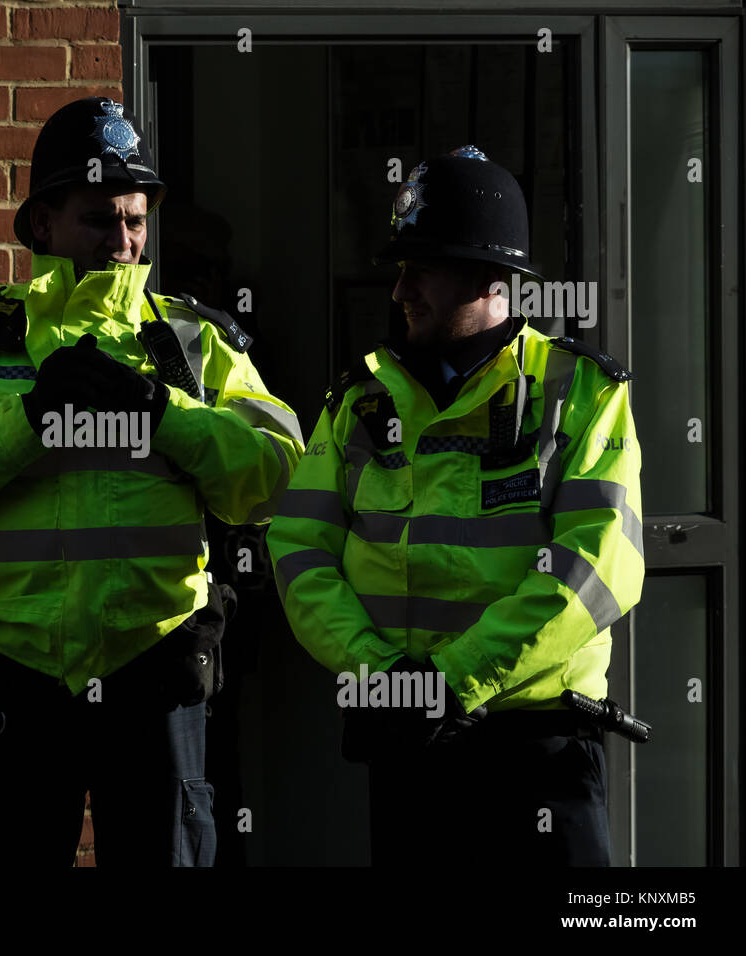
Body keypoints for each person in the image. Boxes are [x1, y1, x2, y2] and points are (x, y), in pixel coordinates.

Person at [0, 97, 304, 866]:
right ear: (42, 223)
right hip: (17, 684)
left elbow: (275, 476)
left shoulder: (191, 341)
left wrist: (164, 412)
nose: (124, 242)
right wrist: (29, 416)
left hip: (155, 676)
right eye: (101, 220)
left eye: (136, 221)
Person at [267, 146, 644, 866]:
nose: (401, 289)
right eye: (400, 269)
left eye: (423, 269)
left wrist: (450, 680)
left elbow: (598, 567)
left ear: (489, 277)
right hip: (407, 743)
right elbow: (299, 550)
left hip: (536, 748)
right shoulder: (359, 402)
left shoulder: (581, 393)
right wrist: (383, 678)